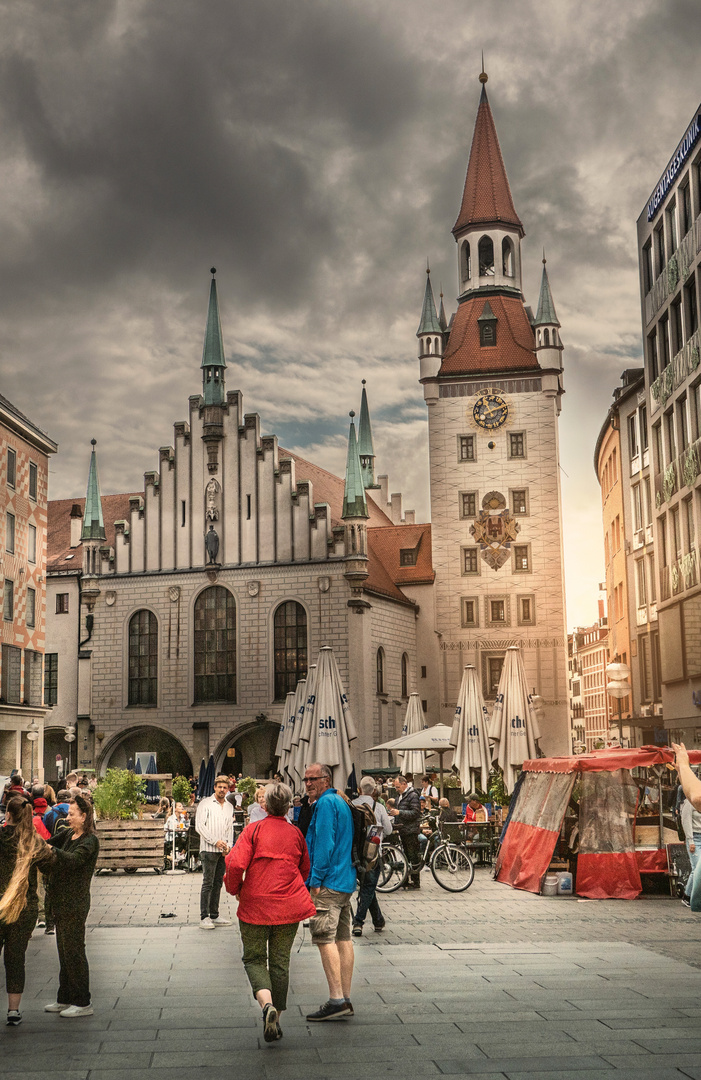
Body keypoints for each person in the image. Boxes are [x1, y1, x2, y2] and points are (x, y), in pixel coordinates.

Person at [224, 782, 316, 1043]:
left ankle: (267, 1006)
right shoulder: (296, 833)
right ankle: (279, 1017)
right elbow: (304, 869)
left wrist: (236, 889)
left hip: (255, 904)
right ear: (288, 806)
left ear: (265, 805)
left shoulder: (253, 830)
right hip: (288, 906)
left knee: (254, 959)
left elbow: (235, 864)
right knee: (280, 962)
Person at [303, 763, 356, 1020]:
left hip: (329, 881)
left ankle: (336, 999)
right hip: (345, 879)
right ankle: (345, 997)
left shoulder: (324, 805)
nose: (308, 784)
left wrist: (315, 880)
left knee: (324, 938)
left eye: (313, 779)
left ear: (326, 779)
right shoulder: (340, 801)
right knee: (343, 938)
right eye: (305, 780)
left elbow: (324, 844)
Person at [43, 794, 100, 1017]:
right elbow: (49, 843)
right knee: (63, 951)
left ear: (84, 816)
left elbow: (74, 860)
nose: (67, 817)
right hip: (60, 900)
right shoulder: (68, 833)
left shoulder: (89, 840)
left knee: (74, 951)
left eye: (72, 814)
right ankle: (65, 997)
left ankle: (83, 1002)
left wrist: (52, 852)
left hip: (75, 902)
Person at [0, 797, 53, 1025]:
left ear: (8, 815)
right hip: (24, 908)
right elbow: (51, 864)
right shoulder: (34, 841)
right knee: (15, 958)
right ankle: (13, 1011)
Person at [352, 778, 392, 937]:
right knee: (368, 887)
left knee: (367, 886)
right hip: (373, 854)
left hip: (354, 853)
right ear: (374, 790)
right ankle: (358, 922)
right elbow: (388, 830)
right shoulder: (380, 807)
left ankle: (378, 920)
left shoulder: (352, 805)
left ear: (359, 789)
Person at [195, 774, 234, 929]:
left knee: (218, 883)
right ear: (215, 787)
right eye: (220, 787)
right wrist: (214, 841)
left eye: (225, 787)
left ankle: (215, 915)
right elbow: (200, 826)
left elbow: (229, 827)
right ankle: (204, 917)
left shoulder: (229, 806)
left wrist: (228, 845)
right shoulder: (205, 804)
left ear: (228, 789)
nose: (222, 790)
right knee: (208, 883)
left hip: (222, 851)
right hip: (208, 849)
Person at [389, 775, 421, 889]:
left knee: (412, 856)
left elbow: (415, 813)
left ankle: (416, 882)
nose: (396, 789)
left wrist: (400, 812)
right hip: (403, 829)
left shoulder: (412, 795)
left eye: (398, 787)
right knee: (405, 857)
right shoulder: (400, 796)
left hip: (411, 830)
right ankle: (405, 881)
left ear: (404, 784)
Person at [680, 794, 701, 909]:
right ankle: (687, 896)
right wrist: (691, 840)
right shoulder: (689, 803)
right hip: (695, 838)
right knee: (697, 868)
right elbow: (686, 821)